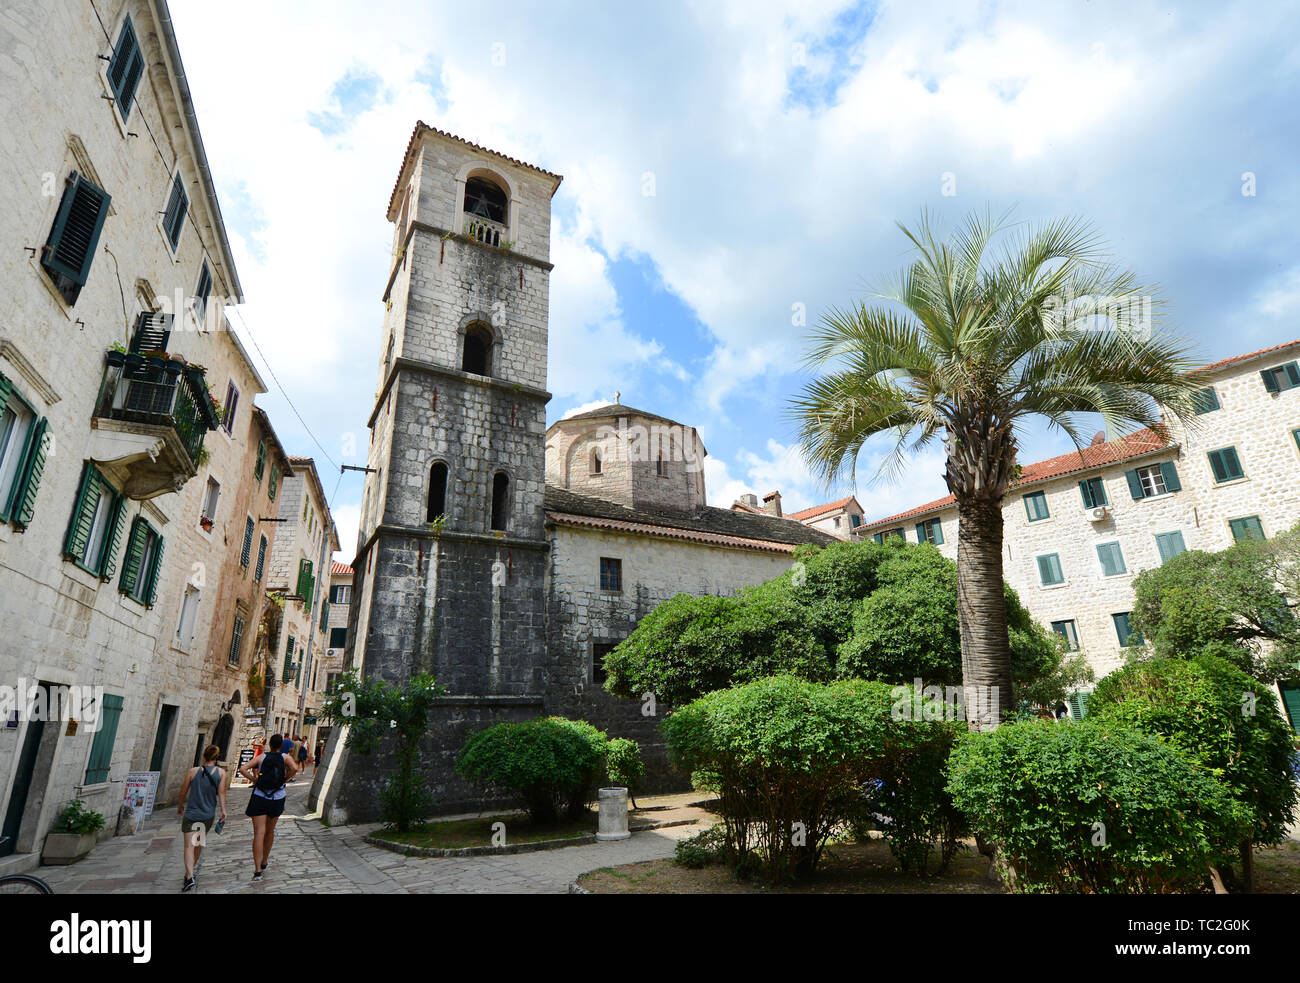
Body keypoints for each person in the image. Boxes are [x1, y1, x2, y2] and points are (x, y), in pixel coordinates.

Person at [239, 733, 298, 881]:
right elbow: (295, 768)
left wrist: (254, 780)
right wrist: (285, 779)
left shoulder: (262, 757)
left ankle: (257, 870)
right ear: (281, 746)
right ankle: (264, 860)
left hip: (260, 796)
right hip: (277, 797)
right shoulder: (285, 757)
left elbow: (243, 769)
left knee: (259, 833)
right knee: (270, 831)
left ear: (270, 745)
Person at [176, 744, 226, 893]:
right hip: (207, 815)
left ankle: (189, 875)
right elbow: (222, 793)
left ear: (204, 756)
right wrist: (224, 810)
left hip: (192, 814)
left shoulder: (193, 771)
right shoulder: (221, 773)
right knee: (198, 844)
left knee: (188, 846)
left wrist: (179, 805)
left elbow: (183, 791)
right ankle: (189, 875)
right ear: (216, 758)